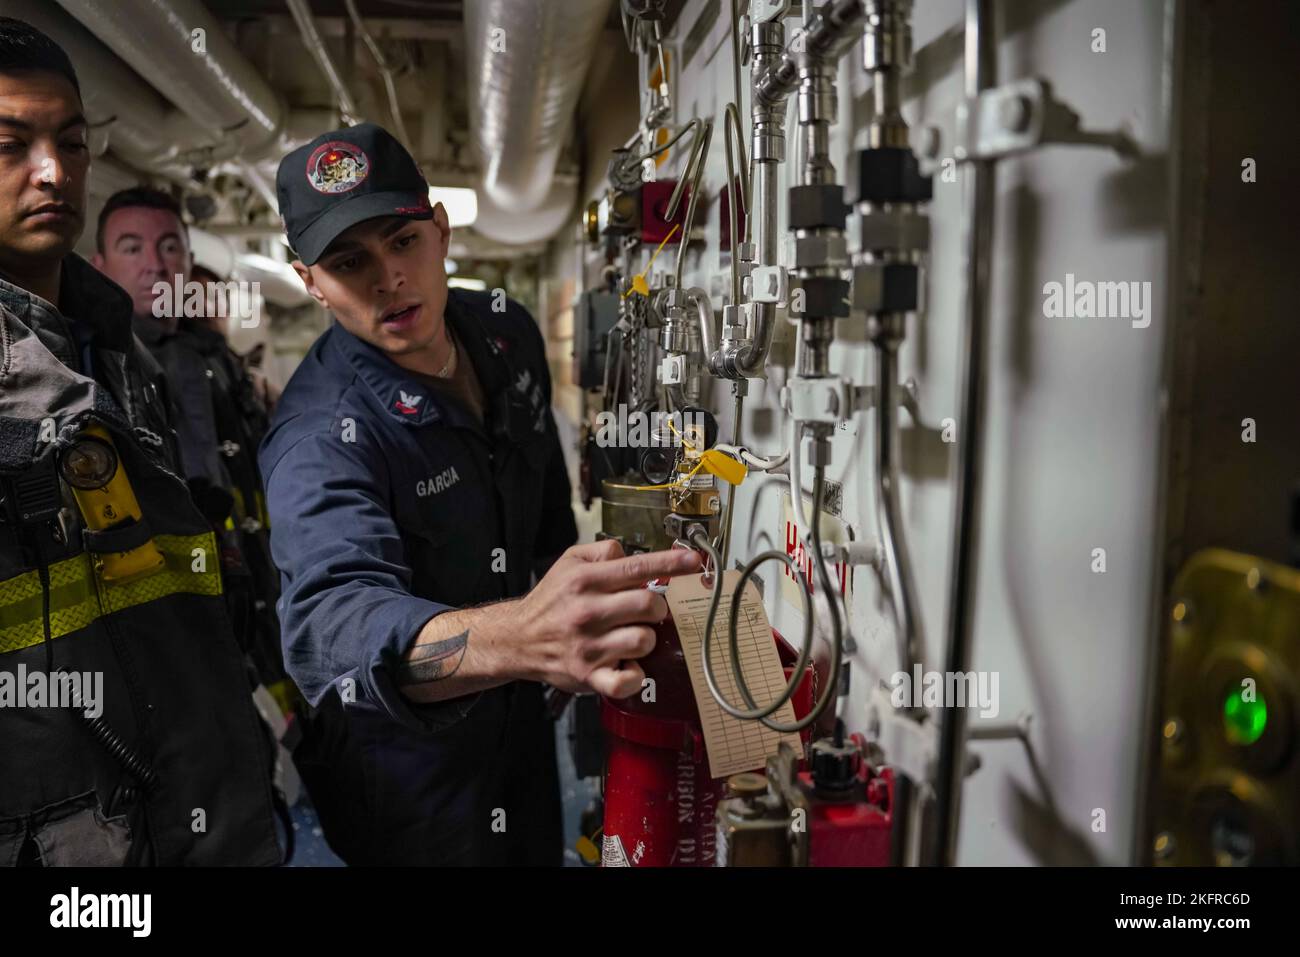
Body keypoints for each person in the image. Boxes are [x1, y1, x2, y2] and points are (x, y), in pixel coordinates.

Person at [261, 123, 699, 865]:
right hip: (413, 789)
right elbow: (332, 627)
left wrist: (573, 607)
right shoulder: (318, 433)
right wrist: (525, 635)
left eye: (402, 242)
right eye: (348, 262)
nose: (387, 279)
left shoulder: (505, 332)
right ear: (309, 280)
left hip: (522, 736)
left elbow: (544, 511)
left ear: (440, 229)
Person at [0, 17, 280, 865]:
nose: (54, 171)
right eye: (10, 143)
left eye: (73, 141)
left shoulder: (122, 354)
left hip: (192, 798)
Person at [92, 187, 288, 697]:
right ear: (100, 265)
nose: (155, 265)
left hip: (258, 601)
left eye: (170, 247)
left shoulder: (215, 361)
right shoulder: (93, 369)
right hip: (168, 631)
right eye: (132, 248)